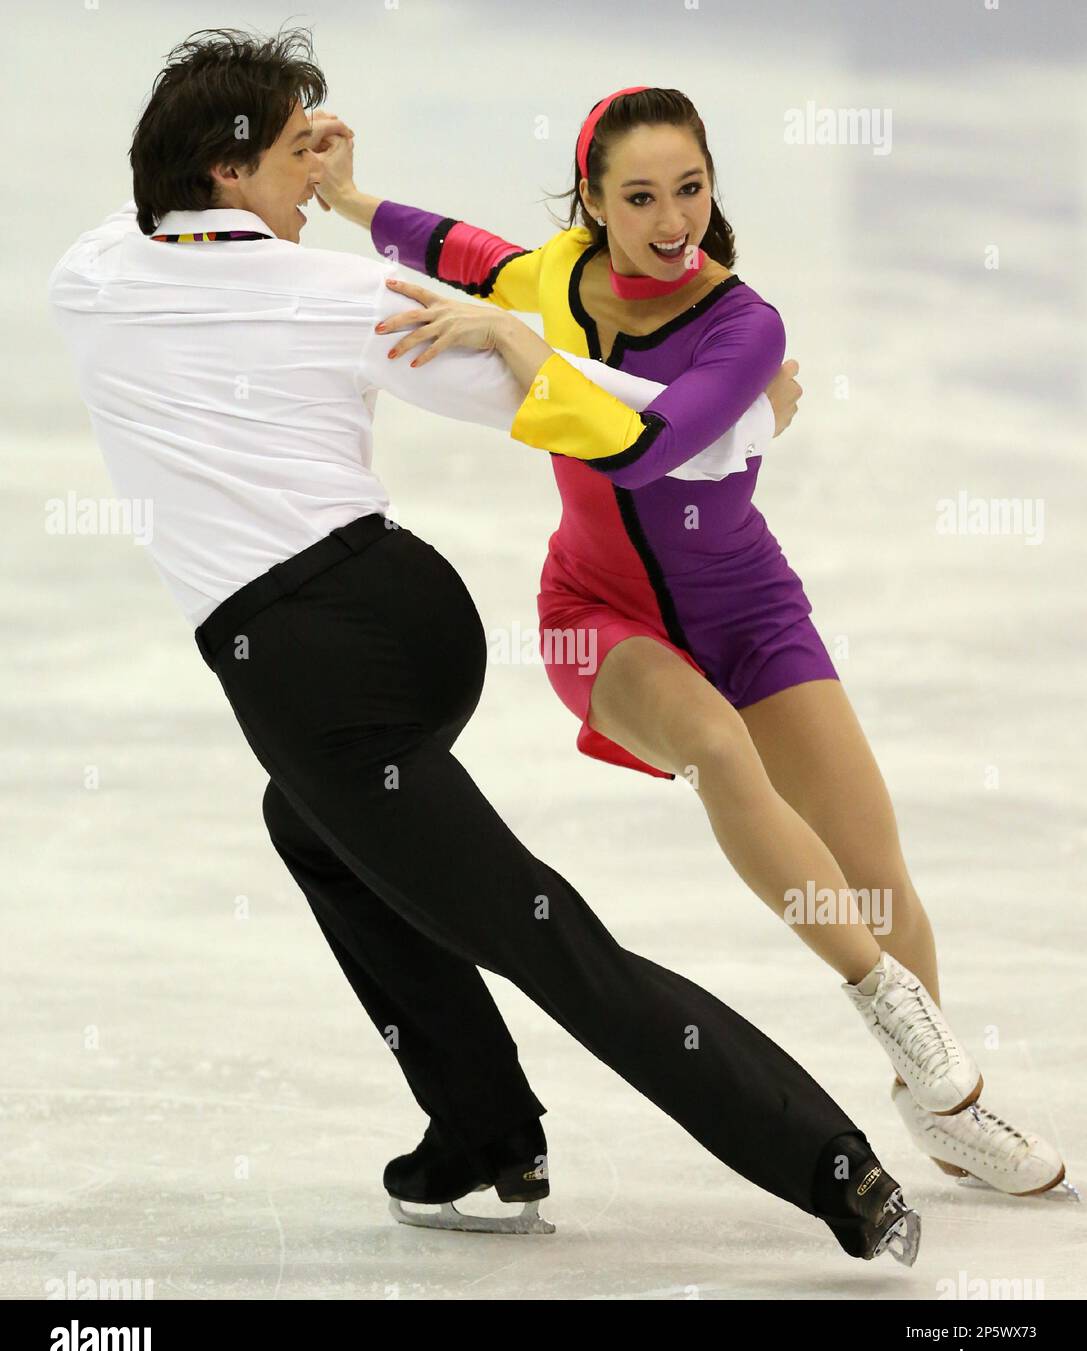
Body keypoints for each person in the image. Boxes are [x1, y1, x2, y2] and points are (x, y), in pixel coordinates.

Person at [47, 27, 922, 1263]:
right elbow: (566, 405)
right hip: (403, 618)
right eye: (301, 151)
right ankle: (483, 1131)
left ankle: (834, 1168)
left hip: (314, 664)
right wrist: (733, 422)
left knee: (536, 930)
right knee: (314, 828)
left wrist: (714, 393)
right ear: (230, 171)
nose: (320, 174)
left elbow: (154, 212)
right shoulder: (356, 299)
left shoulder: (88, 273)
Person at [314, 84, 1069, 1199]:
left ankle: (940, 1108)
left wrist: (522, 353)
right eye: (640, 196)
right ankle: (893, 1013)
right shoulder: (554, 276)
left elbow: (646, 446)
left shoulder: (742, 324)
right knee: (716, 749)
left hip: (748, 608)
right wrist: (344, 195)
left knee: (874, 869)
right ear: (592, 202)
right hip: (595, 616)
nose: (672, 219)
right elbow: (458, 248)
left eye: (690, 188)